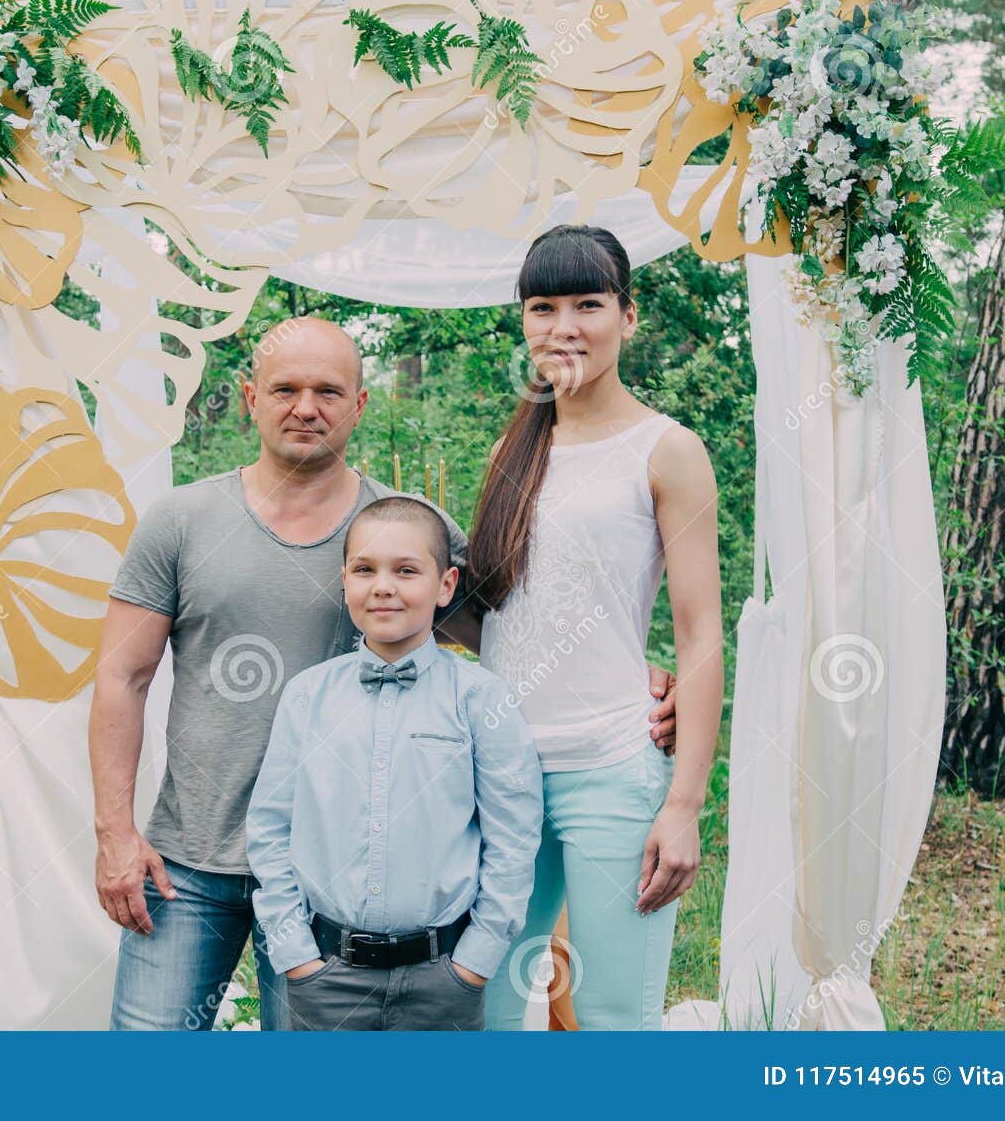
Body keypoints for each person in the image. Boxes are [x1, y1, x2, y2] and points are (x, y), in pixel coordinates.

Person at [89, 314, 678, 1031]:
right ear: (250, 397)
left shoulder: (404, 529)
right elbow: (122, 677)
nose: (306, 407)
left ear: (360, 404)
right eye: (285, 389)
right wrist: (114, 832)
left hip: (332, 885)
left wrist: (623, 673)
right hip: (188, 859)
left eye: (329, 391)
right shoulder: (180, 521)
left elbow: (509, 632)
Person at [463, 224, 725, 1030]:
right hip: (501, 773)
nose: (564, 326)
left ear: (629, 316)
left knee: (614, 1015)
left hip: (613, 767)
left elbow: (702, 634)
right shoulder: (516, 446)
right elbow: (495, 612)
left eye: (589, 303)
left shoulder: (668, 450)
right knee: (493, 1011)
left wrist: (684, 803)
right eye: (543, 307)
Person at [246, 498, 542, 1030]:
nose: (383, 586)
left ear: (446, 585)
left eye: (406, 570)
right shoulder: (306, 697)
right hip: (327, 977)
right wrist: (296, 955)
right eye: (365, 570)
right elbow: (271, 828)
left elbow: (513, 837)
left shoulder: (480, 699)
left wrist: (474, 963)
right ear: (344, 582)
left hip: (443, 980)